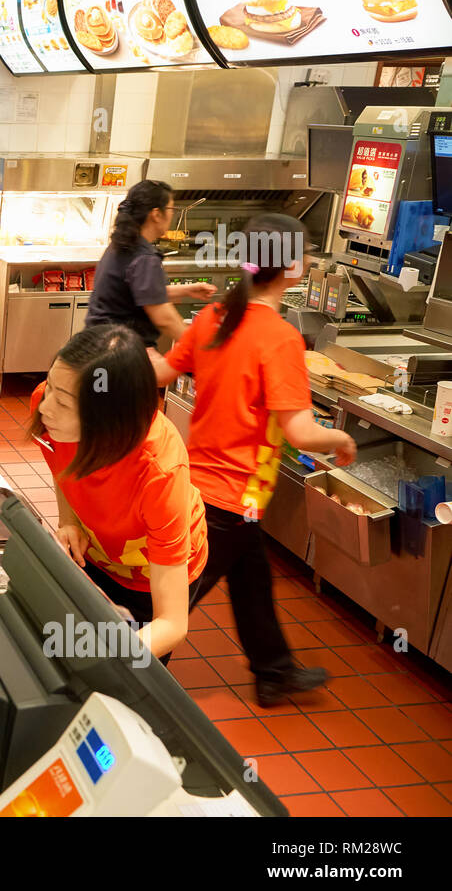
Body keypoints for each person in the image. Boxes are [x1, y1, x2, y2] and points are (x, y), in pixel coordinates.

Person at [154, 213, 355, 705]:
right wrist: (341, 443)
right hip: (232, 496)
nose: (310, 259)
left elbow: (162, 371)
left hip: (202, 482)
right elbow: (300, 432)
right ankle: (125, 672)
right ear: (289, 265)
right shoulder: (281, 337)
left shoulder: (213, 317)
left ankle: (273, 670)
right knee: (176, 601)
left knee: (251, 571)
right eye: (306, 251)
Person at [31, 324, 207, 661]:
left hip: (149, 576)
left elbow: (170, 624)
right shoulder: (48, 404)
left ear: (110, 419)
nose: (45, 407)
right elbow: (61, 467)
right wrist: (69, 521)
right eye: (50, 386)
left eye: (64, 403)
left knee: (132, 679)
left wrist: (107, 660)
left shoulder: (159, 474)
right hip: (97, 554)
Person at [83, 179, 215, 348]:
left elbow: (140, 293)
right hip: (118, 352)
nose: (172, 214)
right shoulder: (143, 257)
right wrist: (202, 347)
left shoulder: (122, 244)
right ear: (156, 214)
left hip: (101, 344)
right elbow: (165, 319)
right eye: (171, 209)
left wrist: (187, 290)